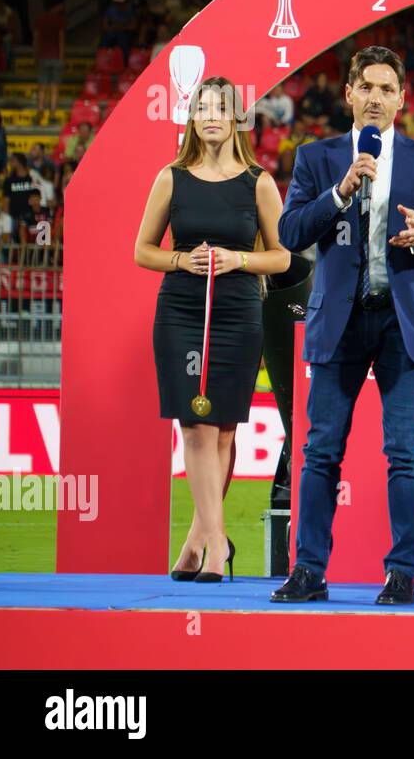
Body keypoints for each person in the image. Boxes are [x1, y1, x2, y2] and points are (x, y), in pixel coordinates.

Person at [272, 46, 414, 605]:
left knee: (406, 451)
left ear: (402, 99)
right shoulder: (318, 159)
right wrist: (340, 192)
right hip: (338, 322)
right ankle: (308, 570)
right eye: (368, 88)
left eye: (388, 89)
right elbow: (290, 235)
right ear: (350, 95)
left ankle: (402, 572)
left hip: (402, 325)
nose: (378, 98)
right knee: (321, 451)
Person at [134, 76, 291, 583]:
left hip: (239, 313)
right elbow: (143, 250)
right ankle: (219, 546)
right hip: (181, 311)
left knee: (224, 430)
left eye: (220, 108)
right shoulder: (171, 177)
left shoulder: (258, 182)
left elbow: (282, 256)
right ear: (192, 117)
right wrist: (183, 259)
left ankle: (197, 541)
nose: (211, 116)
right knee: (197, 426)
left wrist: (237, 259)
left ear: (236, 117)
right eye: (202, 107)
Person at [34, 0, 66, 121]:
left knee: (42, 87)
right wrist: (61, 57)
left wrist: (35, 55)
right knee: (54, 88)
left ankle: (40, 111)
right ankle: (52, 114)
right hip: (56, 57)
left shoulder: (40, 19)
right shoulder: (59, 20)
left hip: (43, 57)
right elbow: (61, 40)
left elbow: (36, 39)